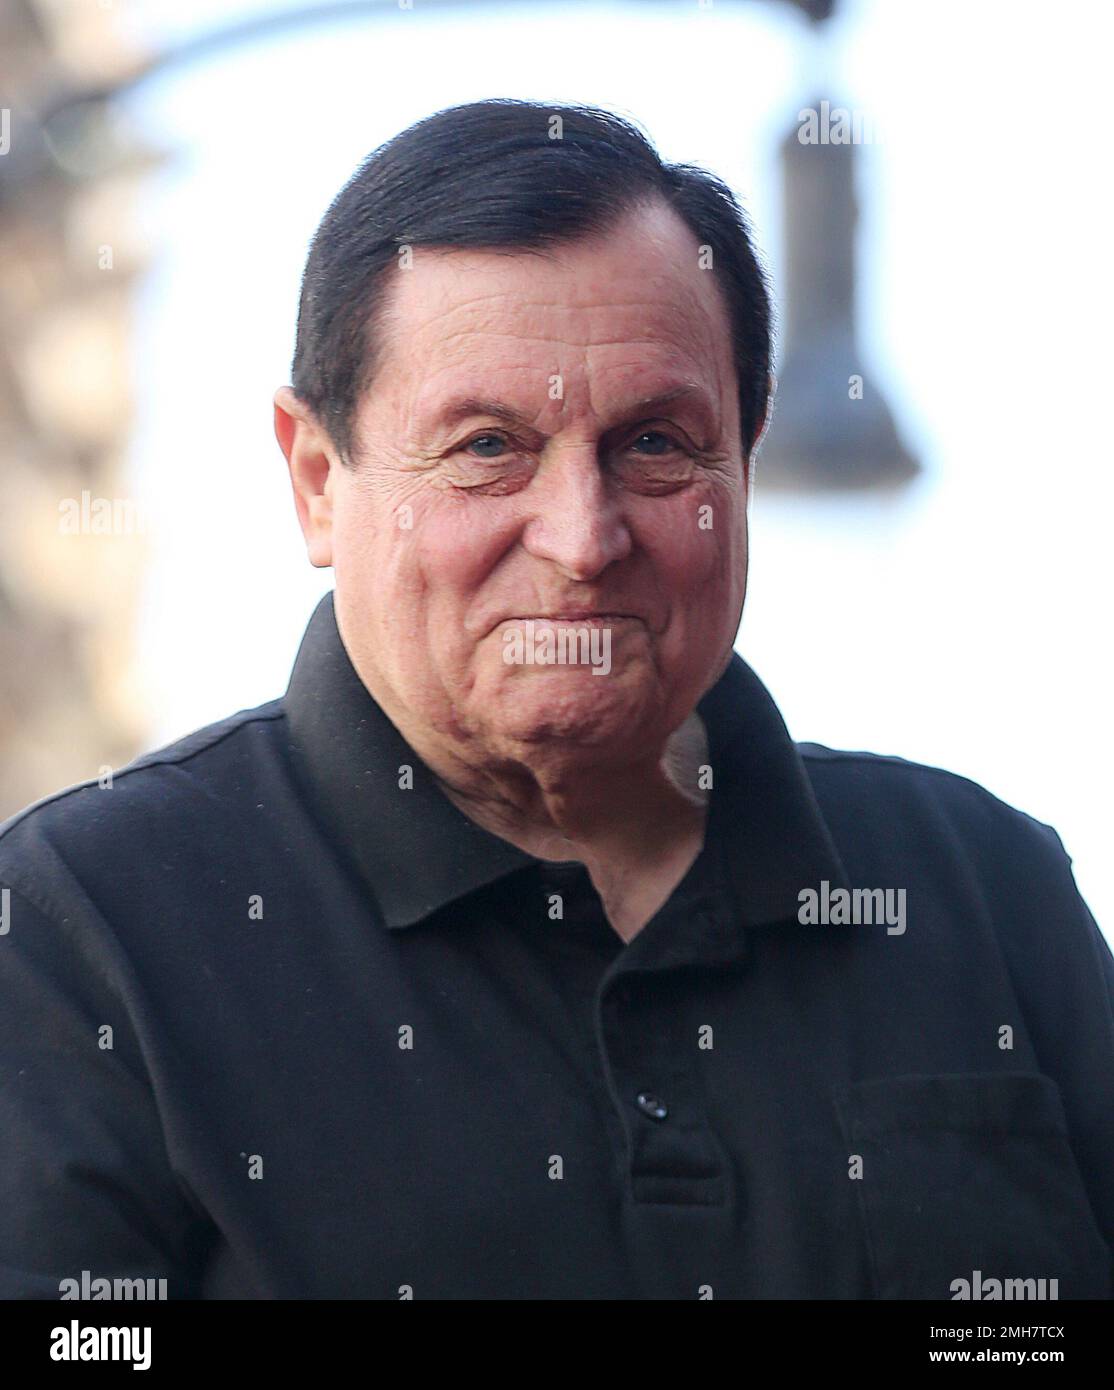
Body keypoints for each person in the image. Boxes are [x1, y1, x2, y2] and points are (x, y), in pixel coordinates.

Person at [1, 99, 1110, 1300]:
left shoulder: (981, 888)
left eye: (654, 444)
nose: (583, 540)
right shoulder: (88, 930)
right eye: (486, 447)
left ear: (745, 458)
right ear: (319, 481)